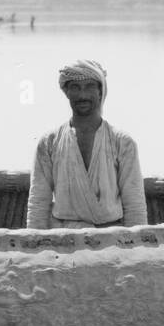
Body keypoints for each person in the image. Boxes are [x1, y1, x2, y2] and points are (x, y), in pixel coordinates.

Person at [26, 59, 148, 229]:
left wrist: (136, 247)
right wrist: (35, 244)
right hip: (62, 240)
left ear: (100, 92)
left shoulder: (122, 142)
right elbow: (38, 202)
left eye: (89, 86)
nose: (82, 95)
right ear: (67, 92)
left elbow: (134, 205)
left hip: (111, 239)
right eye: (75, 87)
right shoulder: (49, 142)